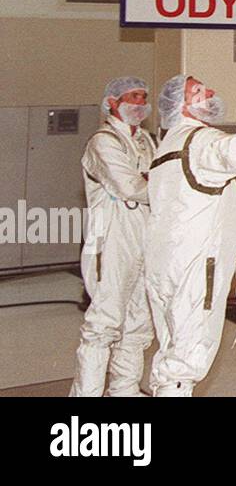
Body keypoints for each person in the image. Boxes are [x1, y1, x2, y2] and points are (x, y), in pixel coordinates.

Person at [145, 75, 236, 396]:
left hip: (163, 265)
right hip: (195, 266)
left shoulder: (167, 145)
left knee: (171, 348)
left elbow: (186, 197)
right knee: (186, 359)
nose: (210, 92)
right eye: (198, 91)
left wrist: (231, 197)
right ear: (181, 106)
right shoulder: (199, 139)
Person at [70, 77, 156, 397]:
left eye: (143, 97)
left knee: (138, 324)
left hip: (145, 237)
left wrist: (153, 180)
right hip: (111, 240)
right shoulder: (102, 141)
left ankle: (125, 390)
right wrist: (153, 181)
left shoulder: (146, 140)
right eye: (132, 97)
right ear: (111, 102)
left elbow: (156, 180)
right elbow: (131, 186)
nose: (140, 103)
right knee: (104, 324)